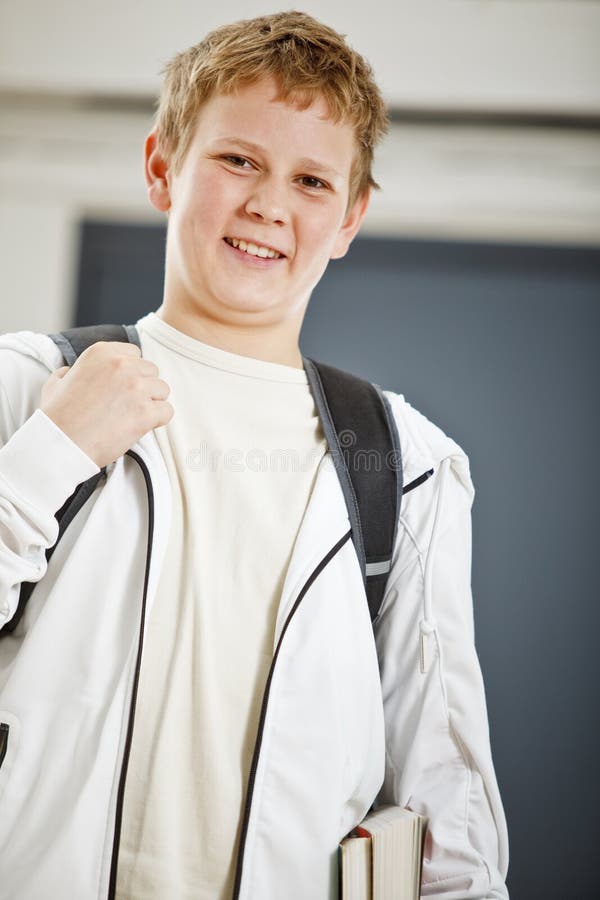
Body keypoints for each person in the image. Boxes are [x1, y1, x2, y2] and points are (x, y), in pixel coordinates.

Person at [0, 10, 509, 900]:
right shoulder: (32, 385)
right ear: (162, 166)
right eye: (238, 160)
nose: (270, 204)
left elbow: (448, 805)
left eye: (312, 180)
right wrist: (49, 455)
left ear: (350, 218)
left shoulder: (403, 462)